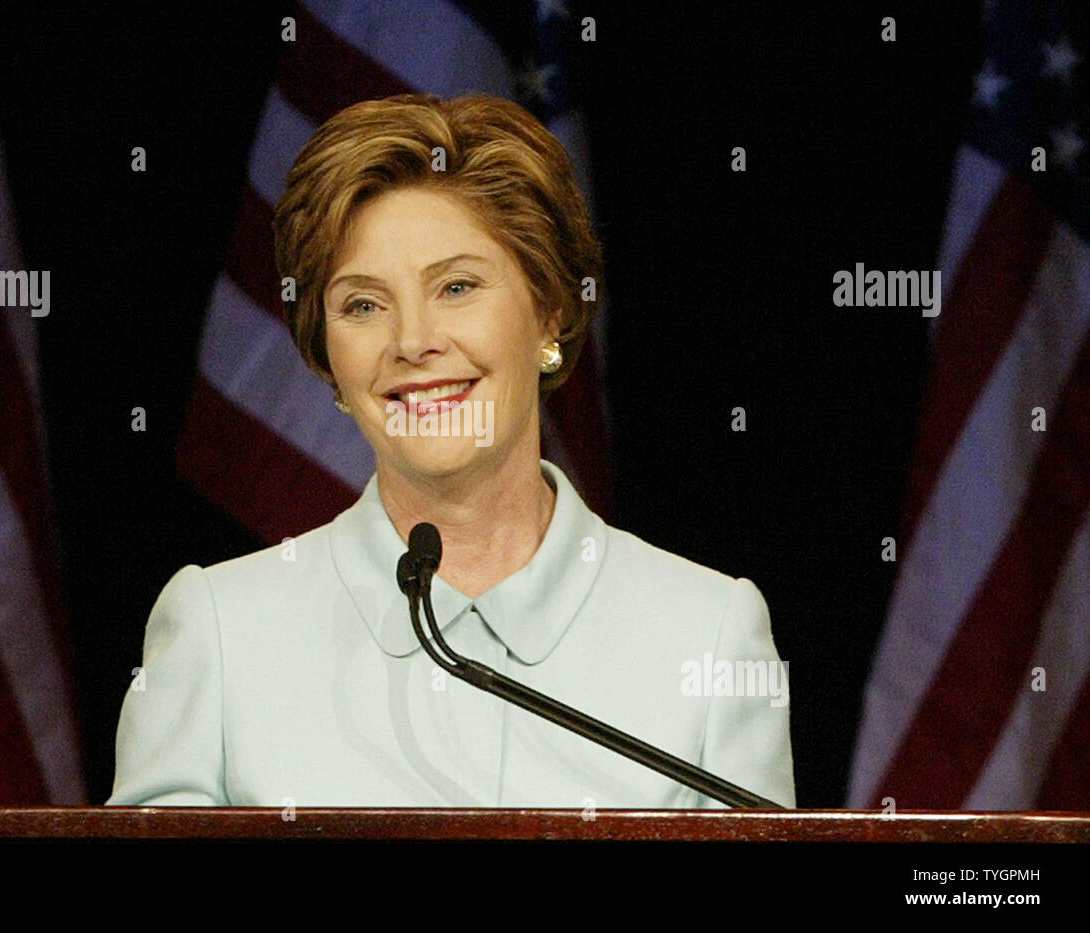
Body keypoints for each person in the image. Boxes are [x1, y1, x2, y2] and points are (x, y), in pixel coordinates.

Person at [107, 93, 795, 808]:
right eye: (362, 305)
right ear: (325, 355)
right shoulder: (217, 632)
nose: (412, 341)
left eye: (457, 286)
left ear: (549, 308)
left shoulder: (711, 634)